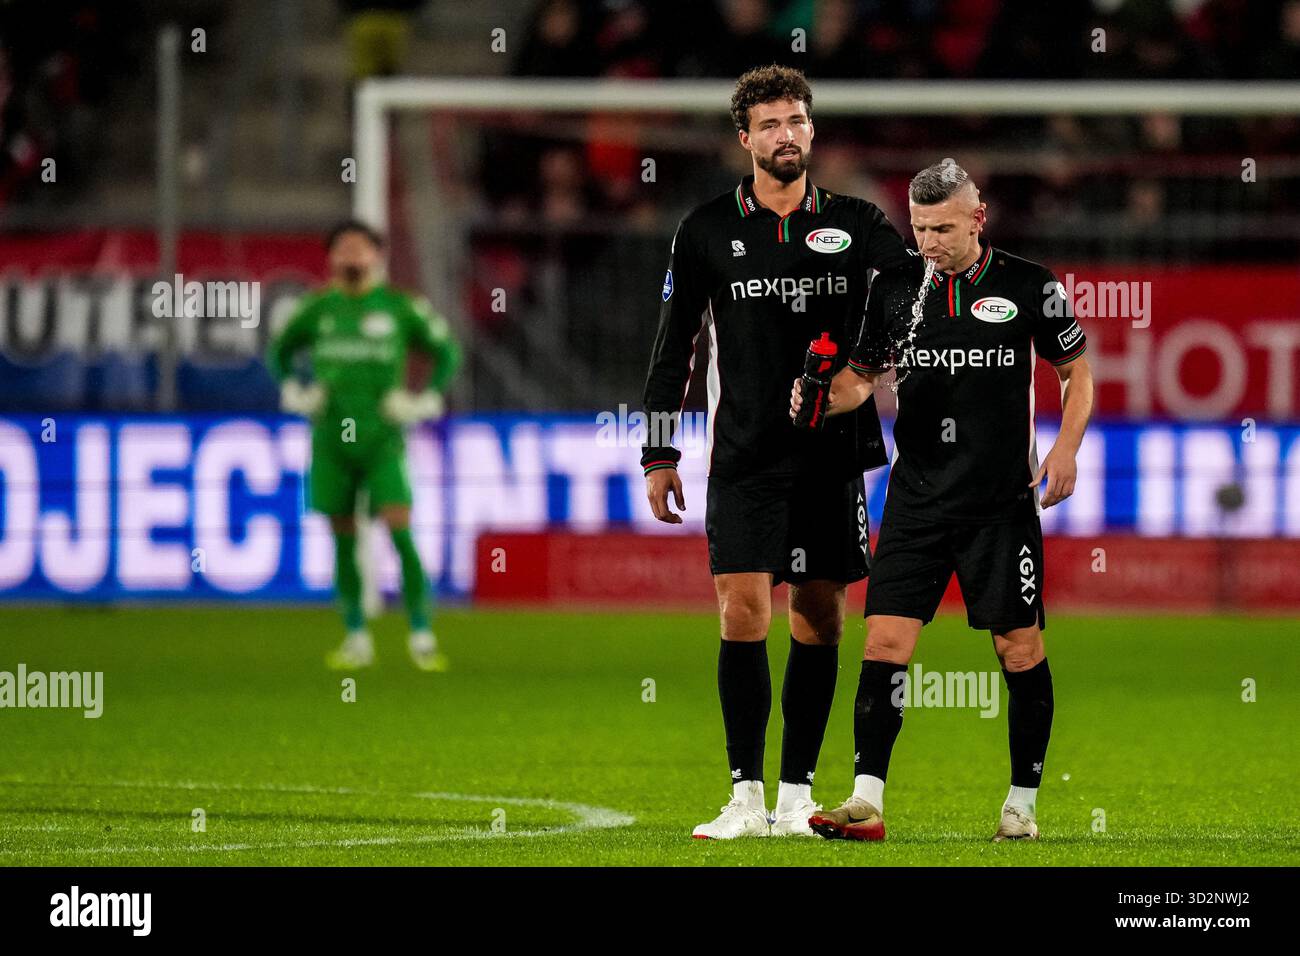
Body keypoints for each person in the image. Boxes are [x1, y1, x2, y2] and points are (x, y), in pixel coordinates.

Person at [640, 65, 909, 839]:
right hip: (745, 453)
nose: (785, 135)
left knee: (821, 619)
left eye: (796, 120)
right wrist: (659, 452)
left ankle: (796, 795)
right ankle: (744, 796)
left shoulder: (860, 224)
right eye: (769, 125)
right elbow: (674, 349)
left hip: (833, 455)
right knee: (743, 609)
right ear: (744, 140)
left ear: (812, 131)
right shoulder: (703, 231)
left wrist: (863, 372)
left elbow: (906, 303)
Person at [790, 160, 1094, 842]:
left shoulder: (1028, 285)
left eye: (944, 229)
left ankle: (1022, 804)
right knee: (884, 640)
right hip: (917, 500)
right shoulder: (895, 288)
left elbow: (1076, 373)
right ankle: (867, 799)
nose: (928, 242)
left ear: (978, 219)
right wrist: (819, 394)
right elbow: (862, 380)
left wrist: (1067, 447)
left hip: (999, 506)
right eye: (920, 227)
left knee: (1019, 650)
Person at [267, 220, 461, 671]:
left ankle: (421, 634)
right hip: (331, 439)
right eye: (344, 249)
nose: (353, 257)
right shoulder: (316, 309)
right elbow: (278, 351)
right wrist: (294, 388)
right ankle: (356, 634)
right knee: (342, 538)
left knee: (399, 528)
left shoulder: (399, 307)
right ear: (331, 257)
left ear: (377, 256)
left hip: (382, 438)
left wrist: (426, 396)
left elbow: (447, 351)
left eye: (361, 248)